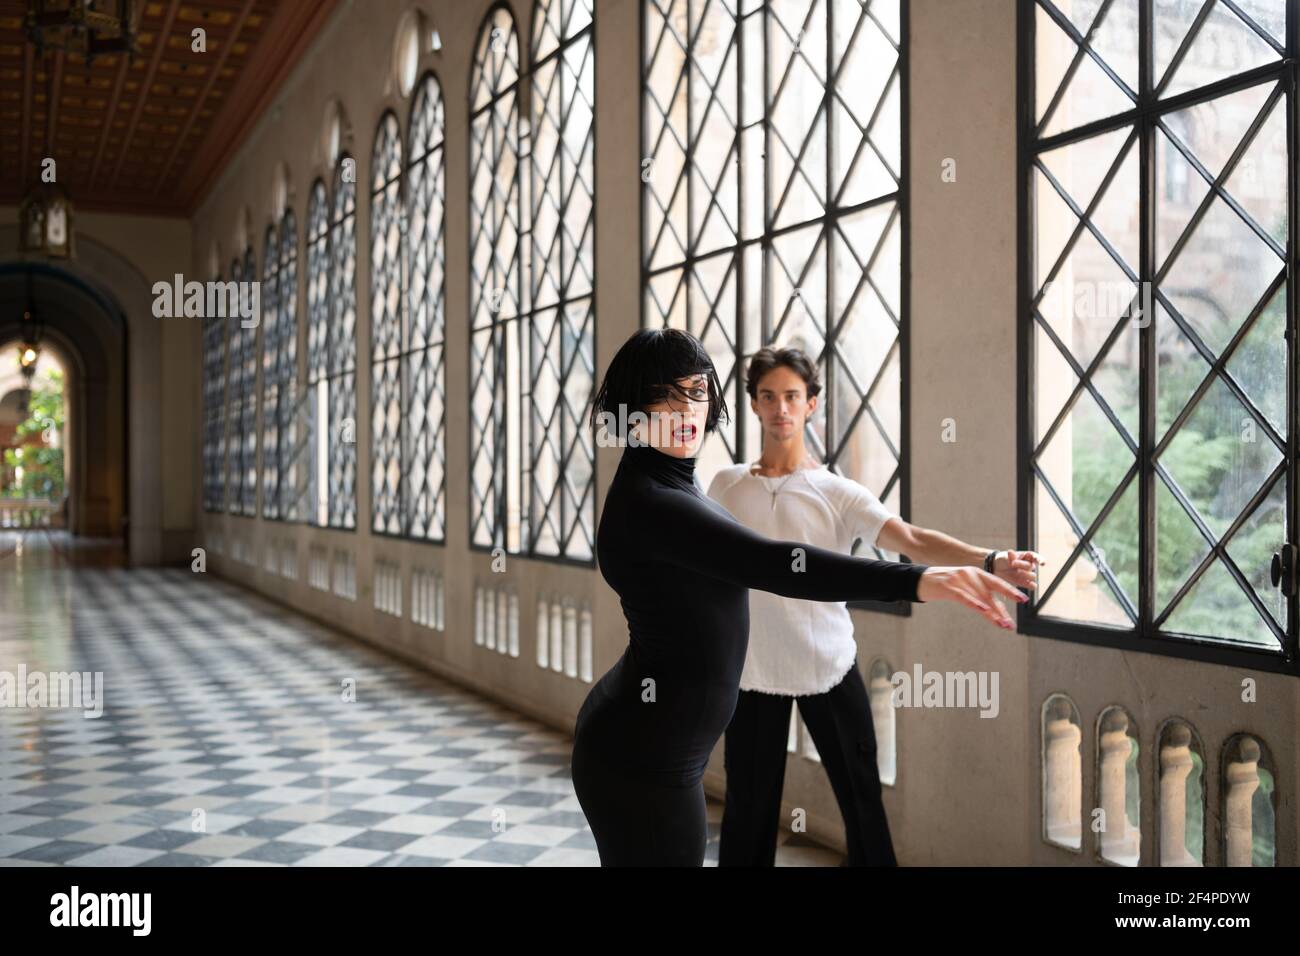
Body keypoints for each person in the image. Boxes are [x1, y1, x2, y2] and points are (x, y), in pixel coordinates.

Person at [570, 328, 1027, 866]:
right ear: (632, 407)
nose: (686, 408)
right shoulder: (658, 501)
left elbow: (893, 536)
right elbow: (779, 565)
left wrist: (979, 559)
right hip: (642, 758)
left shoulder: (672, 483)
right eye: (666, 394)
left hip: (663, 748)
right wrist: (921, 581)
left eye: (696, 390)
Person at [708, 346, 1042, 867]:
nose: (781, 409)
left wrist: (990, 559)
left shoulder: (838, 491)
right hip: (752, 673)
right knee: (749, 812)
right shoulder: (725, 486)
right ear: (753, 404)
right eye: (768, 396)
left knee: (862, 804)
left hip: (828, 666)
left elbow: (910, 538)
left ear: (811, 404)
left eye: (792, 397)